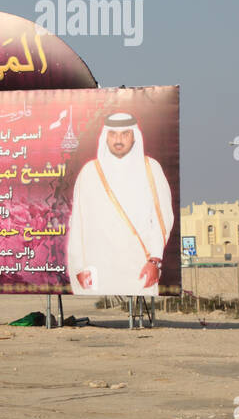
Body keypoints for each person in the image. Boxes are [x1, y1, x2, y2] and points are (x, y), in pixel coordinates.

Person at [67, 113, 174, 295]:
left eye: (125, 134)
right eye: (113, 134)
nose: (118, 140)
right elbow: (77, 224)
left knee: (141, 302)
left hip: (139, 266)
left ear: (134, 137)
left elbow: (162, 219)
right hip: (98, 267)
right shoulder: (89, 172)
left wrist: (155, 261)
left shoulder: (151, 169)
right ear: (105, 136)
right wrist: (78, 267)